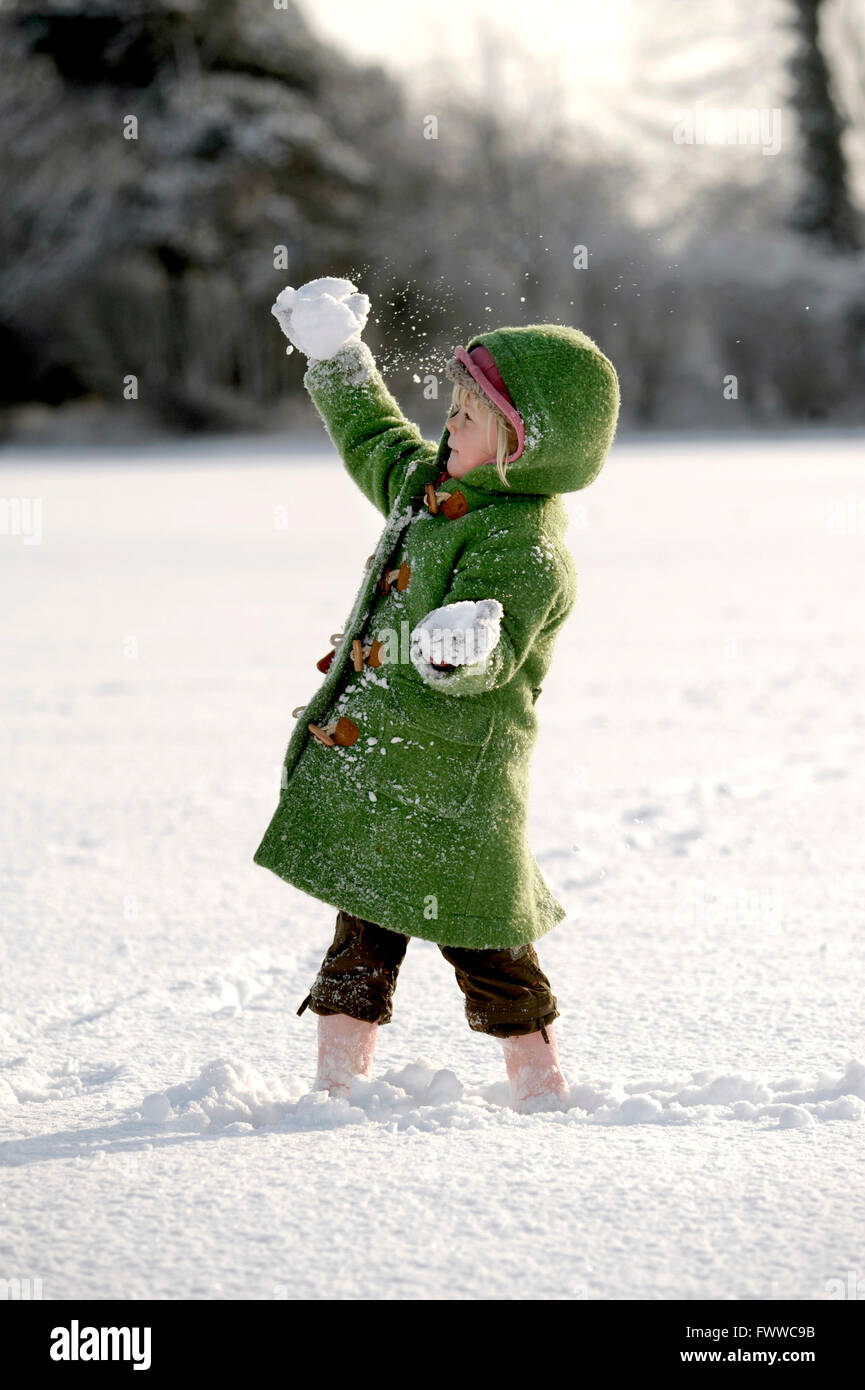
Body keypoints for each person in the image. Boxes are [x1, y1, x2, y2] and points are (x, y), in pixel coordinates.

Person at [253, 278, 620, 1112]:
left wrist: (466, 648)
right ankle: (333, 1087)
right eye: (452, 406)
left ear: (524, 444)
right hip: (386, 781)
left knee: (491, 948)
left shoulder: (524, 546)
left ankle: (540, 1085)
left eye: (468, 415)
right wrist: (339, 360)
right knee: (357, 944)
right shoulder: (427, 491)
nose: (446, 422)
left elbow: (495, 652)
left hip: (457, 793)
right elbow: (373, 437)